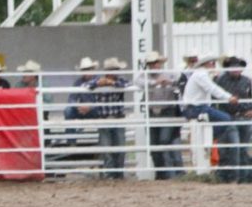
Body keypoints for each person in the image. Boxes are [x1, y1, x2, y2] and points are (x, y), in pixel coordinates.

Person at [182, 55, 240, 183]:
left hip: (196, 107)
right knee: (226, 119)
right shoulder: (201, 75)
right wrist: (229, 97)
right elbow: (212, 89)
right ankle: (213, 137)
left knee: (223, 120)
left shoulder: (200, 75)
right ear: (207, 64)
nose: (214, 65)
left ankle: (212, 137)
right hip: (197, 107)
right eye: (212, 63)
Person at [136, 51, 182, 179]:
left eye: (156, 62)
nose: (154, 65)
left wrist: (169, 82)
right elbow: (137, 81)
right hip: (153, 112)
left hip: (167, 110)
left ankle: (170, 173)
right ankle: (162, 173)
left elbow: (179, 81)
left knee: (164, 140)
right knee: (154, 143)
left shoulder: (169, 74)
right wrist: (155, 83)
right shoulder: (145, 75)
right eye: (152, 63)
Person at [85, 57, 129, 179]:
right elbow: (87, 85)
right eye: (114, 70)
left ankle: (118, 173)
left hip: (117, 117)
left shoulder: (119, 81)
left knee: (120, 147)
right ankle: (109, 174)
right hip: (104, 118)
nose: (116, 73)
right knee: (107, 148)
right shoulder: (99, 81)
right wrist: (99, 83)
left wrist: (111, 83)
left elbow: (126, 84)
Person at [215, 56, 252, 182]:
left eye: (238, 67)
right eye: (233, 66)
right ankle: (231, 176)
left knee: (242, 148)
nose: (236, 69)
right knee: (232, 147)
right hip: (228, 117)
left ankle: (244, 177)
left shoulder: (247, 81)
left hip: (244, 117)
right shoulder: (220, 80)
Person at [65, 56, 99, 121]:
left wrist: (90, 107)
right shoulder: (78, 82)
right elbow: (71, 99)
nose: (86, 72)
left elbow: (101, 101)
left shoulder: (99, 81)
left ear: (92, 69)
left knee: (100, 110)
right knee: (68, 111)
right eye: (84, 70)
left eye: (88, 69)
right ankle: (71, 130)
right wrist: (79, 107)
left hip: (95, 110)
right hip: (81, 110)